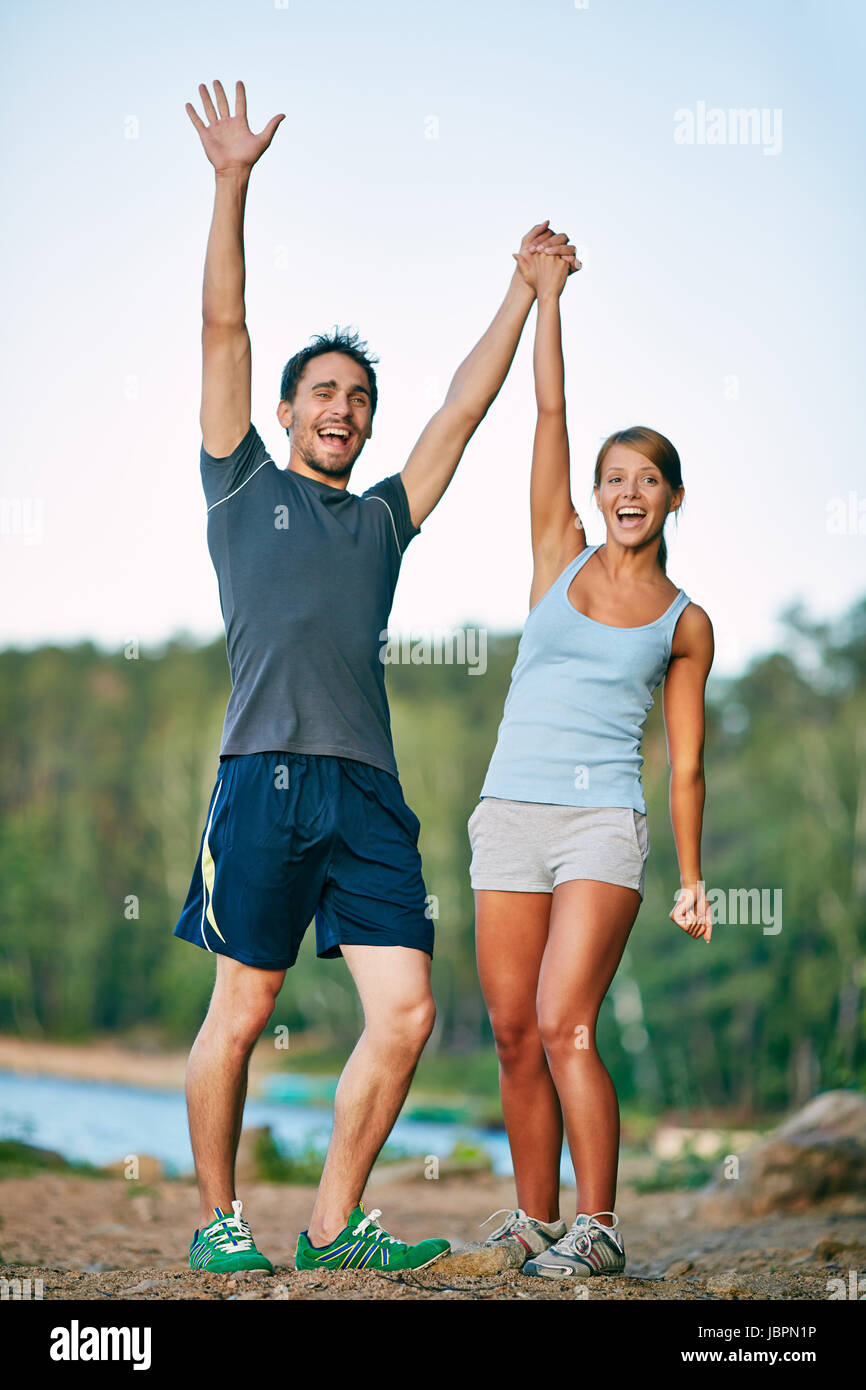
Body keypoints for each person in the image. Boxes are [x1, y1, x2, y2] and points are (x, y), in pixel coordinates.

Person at [175, 77, 577, 1275]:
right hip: (262, 778)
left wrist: (521, 289)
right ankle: (217, 1222)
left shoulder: (384, 519)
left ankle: (335, 1220)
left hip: (365, 793)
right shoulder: (240, 486)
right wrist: (233, 184)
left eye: (358, 398)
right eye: (326, 394)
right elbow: (224, 332)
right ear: (289, 412)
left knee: (406, 1013)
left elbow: (462, 408)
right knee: (241, 1010)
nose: (343, 409)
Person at [468, 243, 715, 1279]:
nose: (624, 492)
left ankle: (597, 1224)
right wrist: (544, 297)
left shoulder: (685, 621)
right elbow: (548, 418)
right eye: (612, 478)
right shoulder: (552, 549)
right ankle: (532, 1221)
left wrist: (694, 879)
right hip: (508, 813)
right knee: (513, 1030)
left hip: (600, 824)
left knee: (568, 1021)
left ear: (669, 498)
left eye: (643, 480)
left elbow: (685, 767)